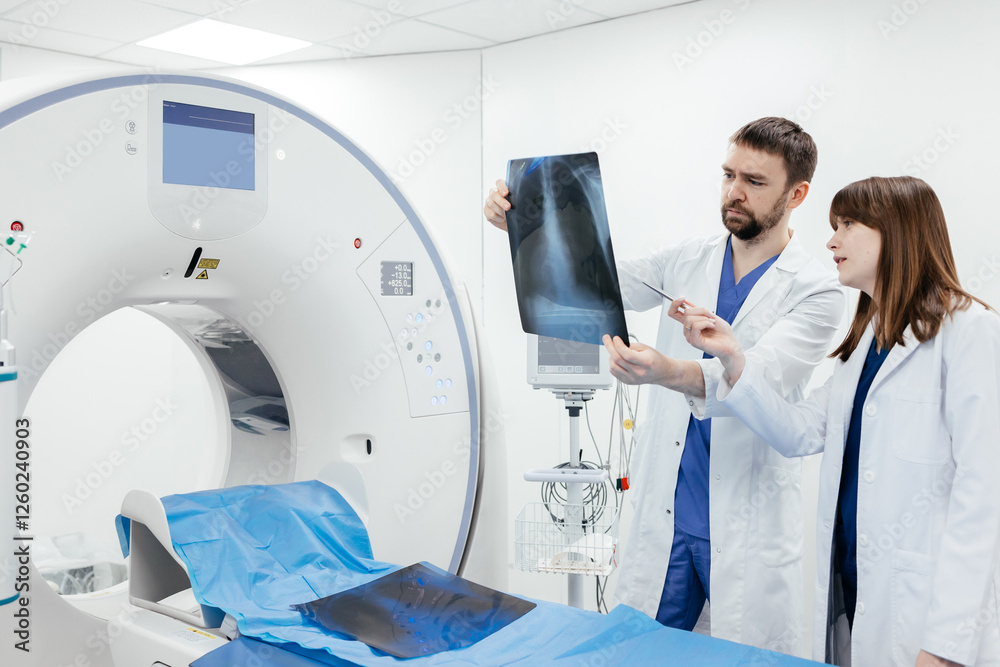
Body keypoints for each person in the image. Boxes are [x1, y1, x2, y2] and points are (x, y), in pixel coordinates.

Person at [486, 117, 846, 655]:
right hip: (670, 519)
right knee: (642, 653)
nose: (734, 192)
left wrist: (666, 372)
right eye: (728, 175)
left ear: (797, 194)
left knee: (738, 658)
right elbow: (596, 279)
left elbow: (758, 376)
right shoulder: (688, 257)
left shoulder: (818, 291)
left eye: (754, 181)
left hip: (747, 522)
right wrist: (523, 222)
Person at [657, 175, 1000, 666]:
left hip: (926, 617)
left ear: (898, 232)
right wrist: (732, 356)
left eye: (848, 225)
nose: (831, 240)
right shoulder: (863, 346)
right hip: (857, 593)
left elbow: (985, 496)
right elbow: (797, 431)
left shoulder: (969, 331)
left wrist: (947, 646)